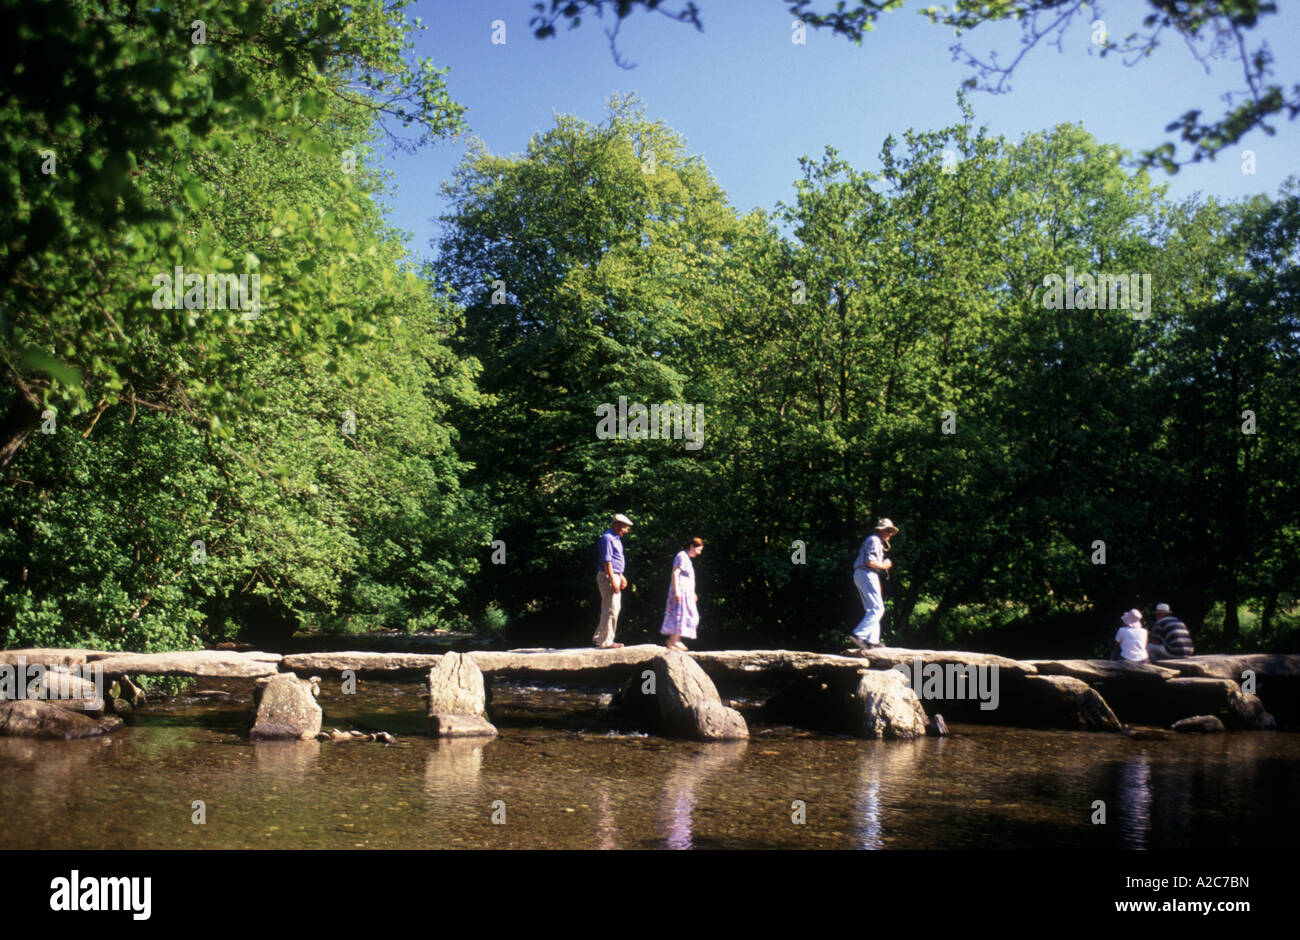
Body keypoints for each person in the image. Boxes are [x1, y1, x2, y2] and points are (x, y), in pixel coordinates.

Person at [850, 518, 898, 650]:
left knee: (872, 609)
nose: (890, 534)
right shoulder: (874, 540)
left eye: (891, 531)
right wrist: (884, 566)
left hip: (864, 574)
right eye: (888, 531)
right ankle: (859, 635)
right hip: (866, 573)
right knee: (878, 609)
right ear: (881, 530)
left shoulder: (875, 541)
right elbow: (870, 562)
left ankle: (873, 641)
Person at [593, 514, 633, 649]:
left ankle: (599, 637)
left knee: (611, 607)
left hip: (615, 574)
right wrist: (612, 579)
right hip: (608, 575)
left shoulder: (616, 538)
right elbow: (607, 561)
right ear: (617, 525)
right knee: (611, 608)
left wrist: (621, 576)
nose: (626, 531)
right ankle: (606, 641)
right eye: (625, 528)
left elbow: (616, 560)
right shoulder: (607, 538)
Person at [662, 538, 704, 651]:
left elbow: (689, 577)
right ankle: (673, 640)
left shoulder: (686, 558)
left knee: (689, 614)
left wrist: (693, 592)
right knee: (680, 613)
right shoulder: (681, 556)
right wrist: (677, 590)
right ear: (691, 547)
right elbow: (675, 573)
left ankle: (675, 639)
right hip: (681, 589)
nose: (699, 553)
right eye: (698, 550)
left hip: (686, 590)